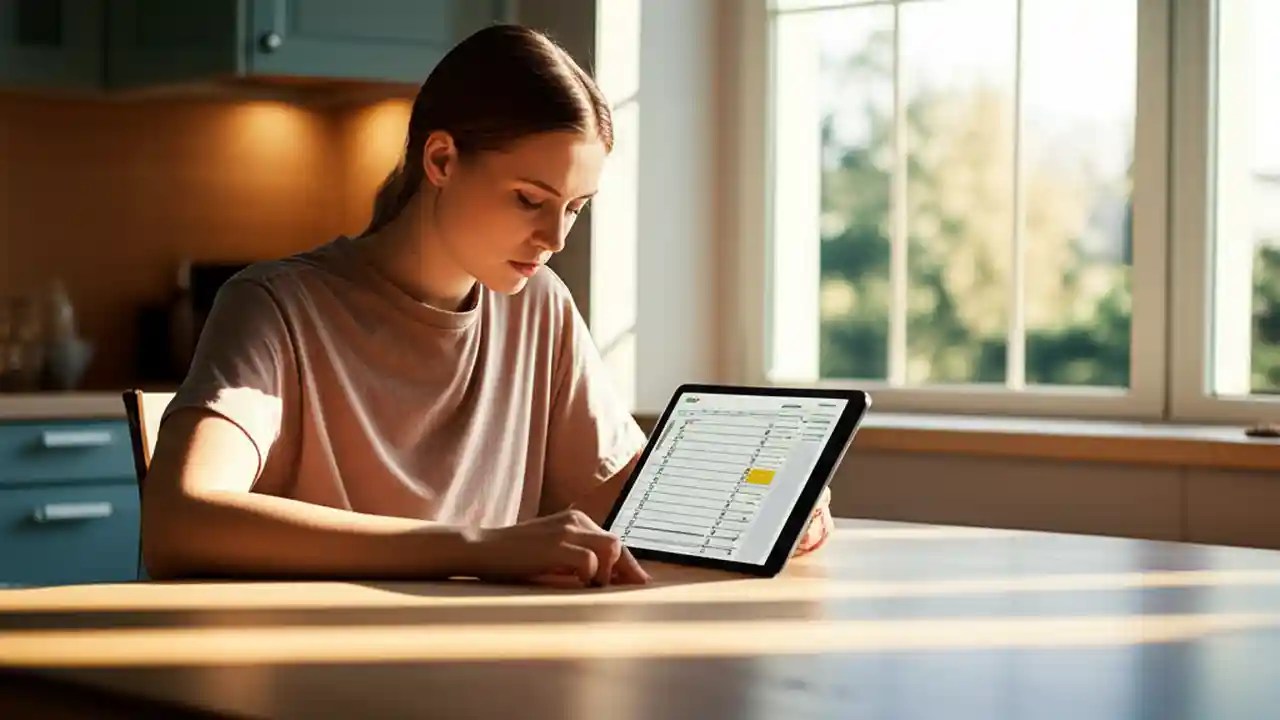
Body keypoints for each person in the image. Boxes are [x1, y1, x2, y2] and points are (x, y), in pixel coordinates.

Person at [141, 24, 832, 588]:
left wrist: (764, 507)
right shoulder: (275, 306)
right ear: (440, 160)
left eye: (575, 209)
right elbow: (180, 521)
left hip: (485, 666)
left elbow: (628, 504)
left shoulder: (540, 309)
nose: (555, 238)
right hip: (322, 676)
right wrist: (477, 546)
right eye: (530, 199)